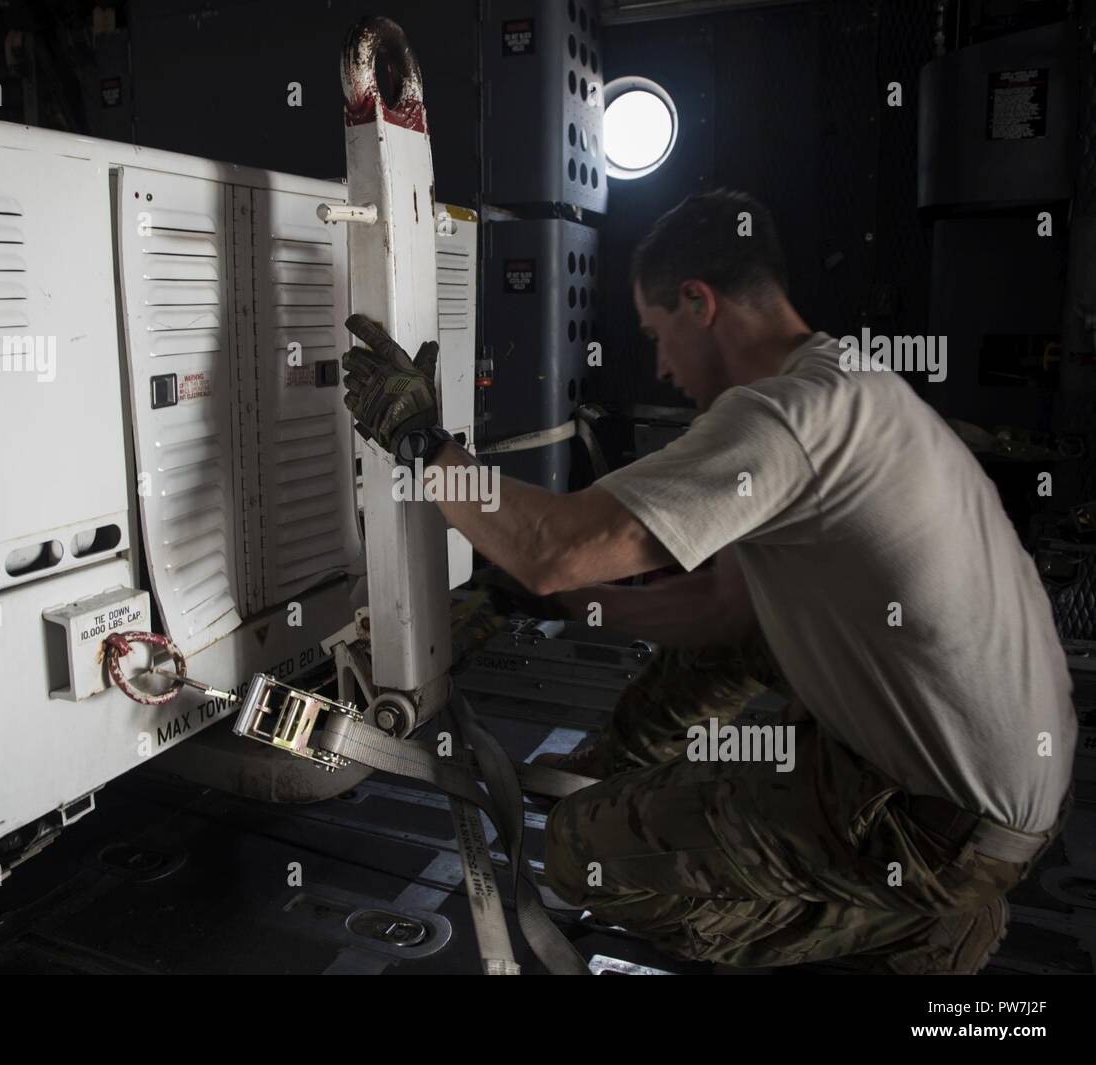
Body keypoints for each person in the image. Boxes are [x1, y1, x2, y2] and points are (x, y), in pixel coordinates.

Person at [339, 188, 1076, 973]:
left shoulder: (784, 416)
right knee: (744, 633)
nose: (659, 363)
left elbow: (553, 546)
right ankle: (615, 774)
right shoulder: (851, 385)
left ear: (699, 303)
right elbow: (719, 611)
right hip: (996, 783)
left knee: (578, 854)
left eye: (657, 334)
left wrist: (420, 440)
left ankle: (910, 927)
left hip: (939, 826)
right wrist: (534, 594)